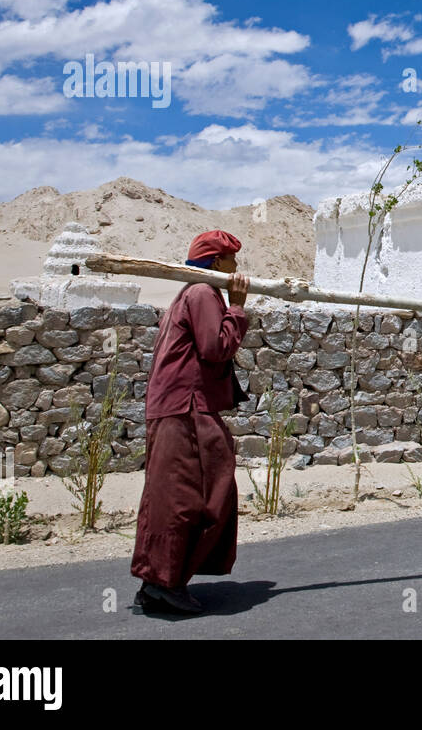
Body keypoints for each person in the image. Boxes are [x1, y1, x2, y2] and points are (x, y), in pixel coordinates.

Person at [131, 230, 251, 614]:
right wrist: (237, 307)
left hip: (178, 408)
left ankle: (160, 580)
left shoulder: (188, 294)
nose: (236, 268)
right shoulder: (202, 294)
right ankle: (164, 582)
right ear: (218, 263)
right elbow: (215, 348)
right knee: (189, 496)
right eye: (231, 261)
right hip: (186, 409)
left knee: (176, 493)